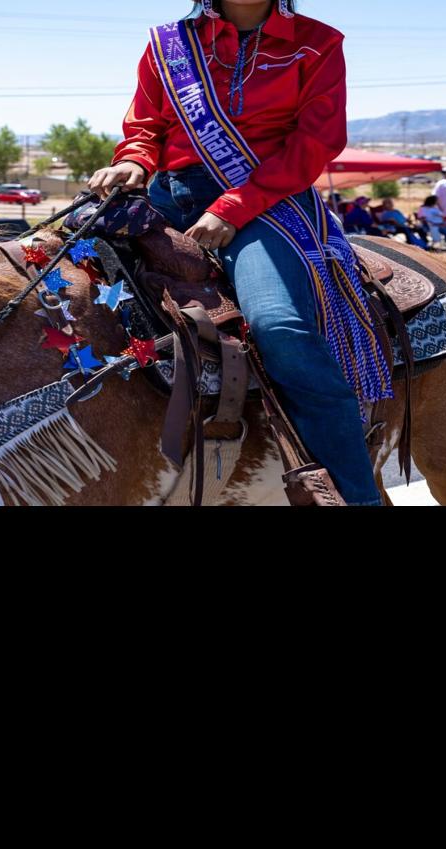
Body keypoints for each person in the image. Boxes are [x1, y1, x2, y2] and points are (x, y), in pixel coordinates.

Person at [87, 0, 388, 505]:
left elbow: (316, 142)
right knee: (54, 287)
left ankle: (356, 495)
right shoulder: (169, 43)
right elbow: (146, 125)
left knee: (277, 326)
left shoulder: (318, 43)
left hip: (266, 198)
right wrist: (135, 161)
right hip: (167, 193)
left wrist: (233, 206)